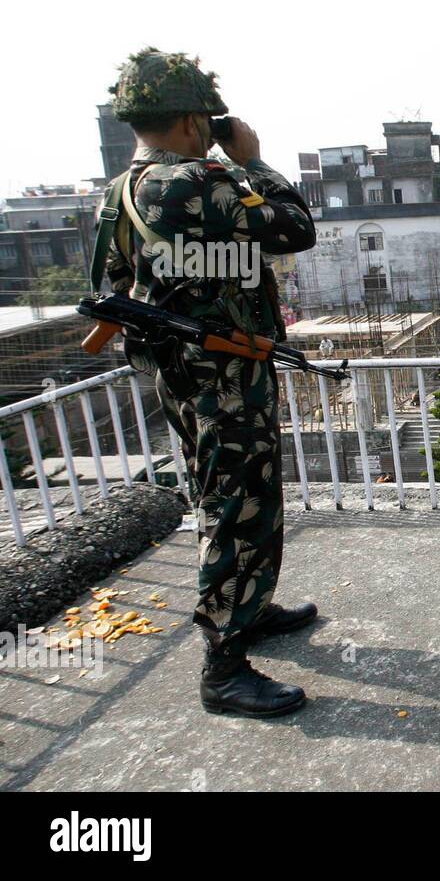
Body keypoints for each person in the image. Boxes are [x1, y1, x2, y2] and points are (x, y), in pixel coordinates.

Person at [102, 48, 319, 717]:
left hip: (182, 375)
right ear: (196, 119)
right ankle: (223, 668)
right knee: (238, 506)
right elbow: (295, 227)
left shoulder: (121, 190)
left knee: (223, 497)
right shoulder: (192, 181)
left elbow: (114, 284)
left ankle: (247, 611)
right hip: (223, 377)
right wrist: (252, 160)